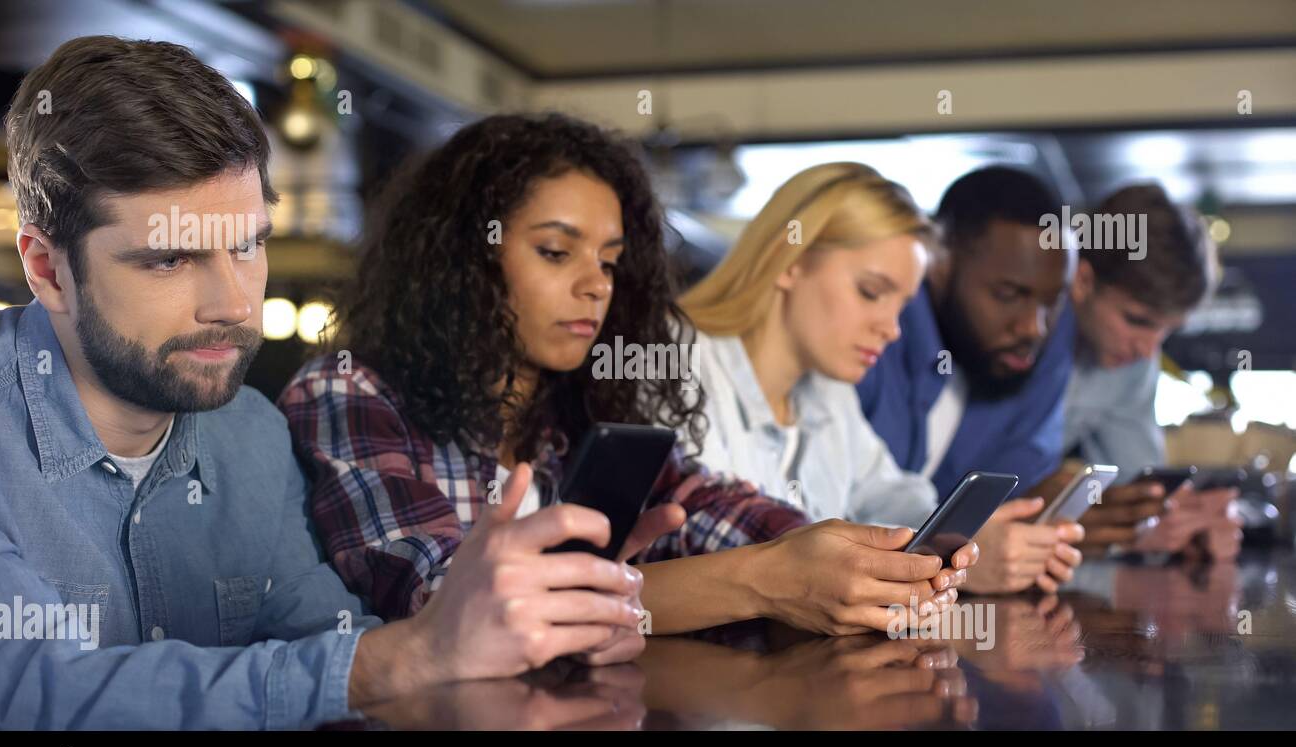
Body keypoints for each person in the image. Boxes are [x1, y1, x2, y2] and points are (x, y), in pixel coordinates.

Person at [0, 36, 648, 730]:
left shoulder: (250, 432)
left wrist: (536, 637)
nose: (235, 304)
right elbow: (35, 694)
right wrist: (401, 659)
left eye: (248, 245)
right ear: (47, 268)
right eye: (169, 259)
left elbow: (324, 638)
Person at [279, 113, 978, 639]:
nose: (595, 286)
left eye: (610, 261)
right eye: (556, 252)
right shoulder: (349, 393)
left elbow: (713, 504)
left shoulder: (577, 407)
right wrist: (768, 579)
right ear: (461, 257)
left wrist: (853, 561)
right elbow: (456, 608)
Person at [678, 162, 1082, 594]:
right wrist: (938, 558)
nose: (891, 329)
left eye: (901, 304)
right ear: (790, 260)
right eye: (871, 292)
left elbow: (891, 498)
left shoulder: (828, 393)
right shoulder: (676, 367)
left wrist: (962, 545)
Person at [857, 166, 1077, 499]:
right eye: (1007, 295)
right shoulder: (873, 340)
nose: (1034, 327)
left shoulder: (1029, 355)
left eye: (1052, 302)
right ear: (939, 262)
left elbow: (1020, 486)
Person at [1054, 183, 1238, 557]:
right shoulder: (1015, 337)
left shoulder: (1133, 368)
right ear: (1083, 281)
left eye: (1166, 330)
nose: (1148, 349)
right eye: (1137, 319)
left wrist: (1180, 527)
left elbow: (1141, 488)